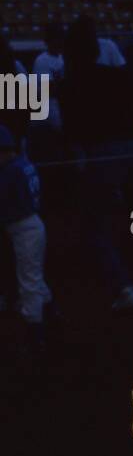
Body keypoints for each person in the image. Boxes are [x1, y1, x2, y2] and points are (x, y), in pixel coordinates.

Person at [61, 16, 133, 311]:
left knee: (97, 224)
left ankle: (125, 286)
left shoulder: (70, 82)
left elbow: (72, 129)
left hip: (102, 154)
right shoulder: (118, 75)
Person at [0, 122, 53, 359]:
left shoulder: (10, 171)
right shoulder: (22, 163)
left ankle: (36, 338)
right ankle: (52, 317)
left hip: (24, 228)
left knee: (29, 283)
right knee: (35, 278)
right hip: (32, 224)